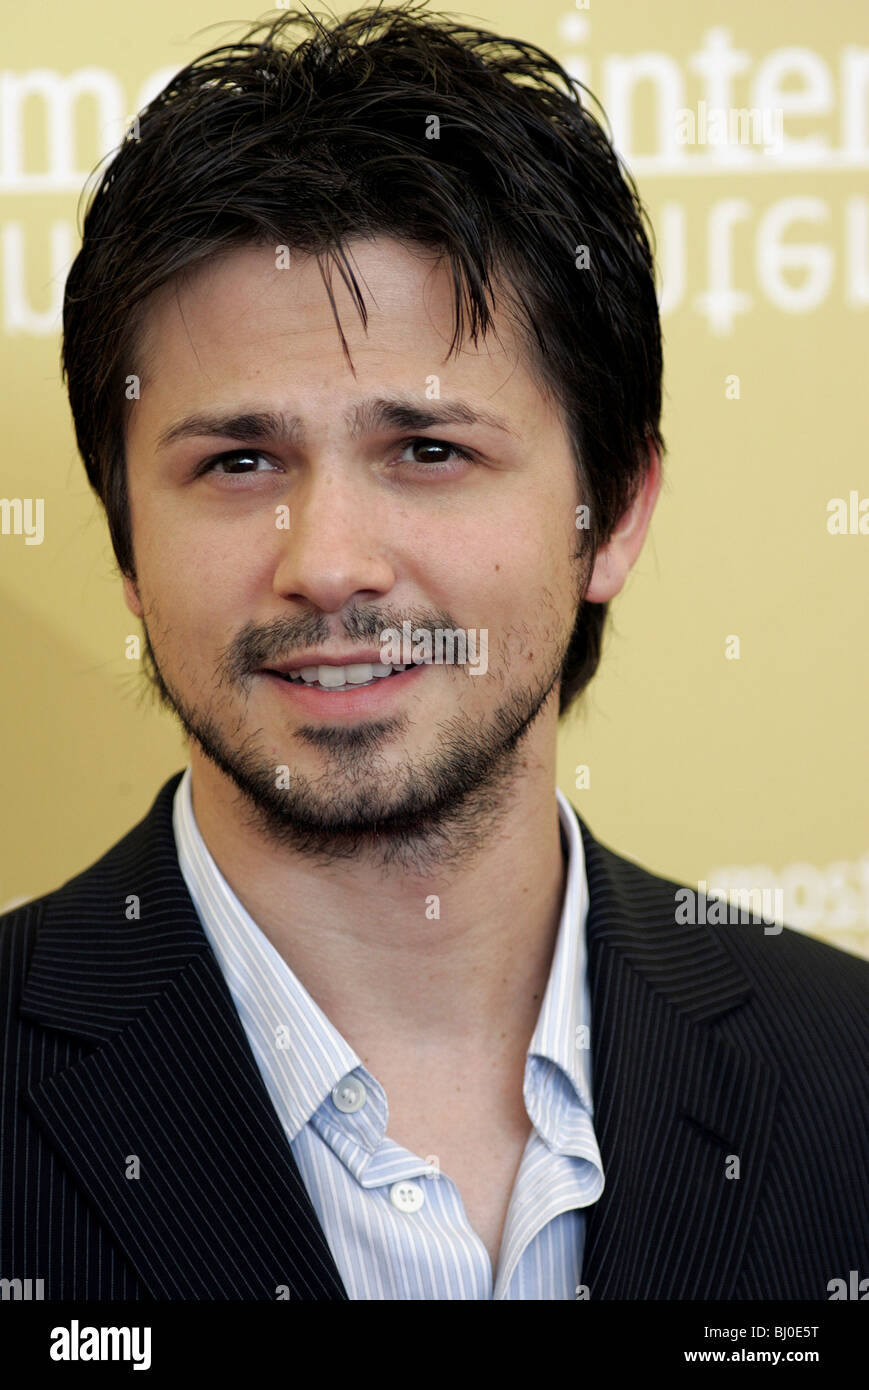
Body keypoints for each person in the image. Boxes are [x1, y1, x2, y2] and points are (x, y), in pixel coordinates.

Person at [1, 2, 866, 1302]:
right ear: (126, 541)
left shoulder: (844, 1074)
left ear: (612, 511)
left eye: (427, 450)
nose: (330, 558)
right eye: (239, 461)